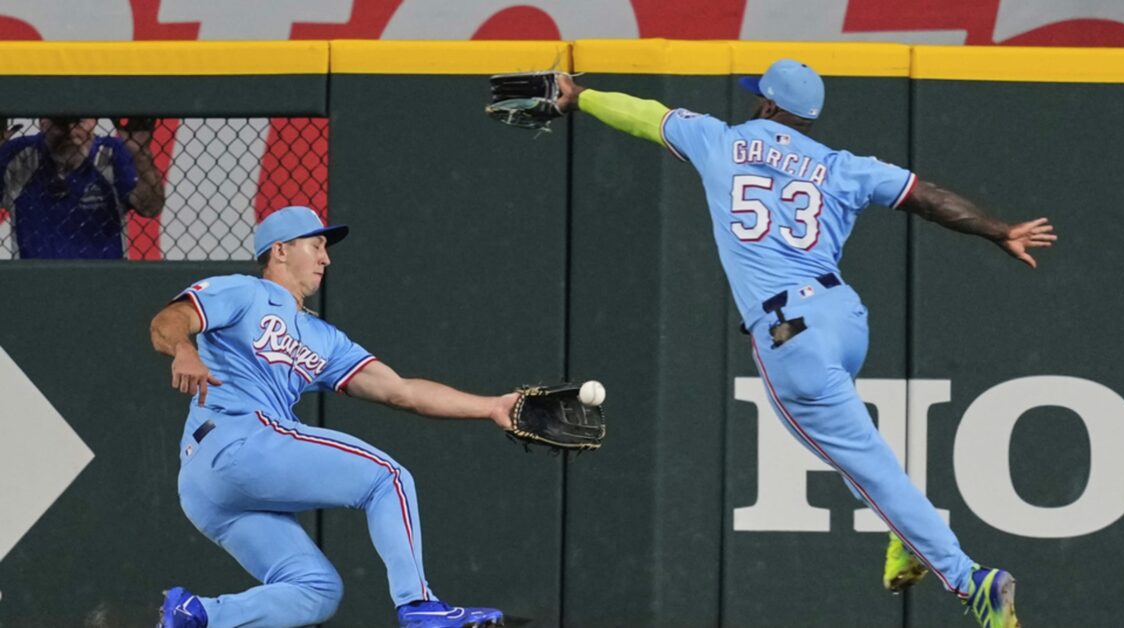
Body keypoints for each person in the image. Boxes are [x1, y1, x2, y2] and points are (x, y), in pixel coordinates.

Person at [554, 60, 1054, 628]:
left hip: (791, 334)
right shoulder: (843, 166)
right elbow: (928, 197)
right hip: (844, 318)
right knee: (854, 452)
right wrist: (1001, 230)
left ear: (767, 106)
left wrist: (580, 97)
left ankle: (971, 582)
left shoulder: (722, 140)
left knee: (868, 463)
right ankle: (910, 541)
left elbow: (645, 117)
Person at [149, 205, 513, 628]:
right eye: (317, 245)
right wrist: (184, 349)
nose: (326, 258)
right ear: (281, 250)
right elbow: (168, 320)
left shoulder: (325, 339)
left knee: (315, 589)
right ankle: (419, 605)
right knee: (386, 477)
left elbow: (402, 392)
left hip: (215, 486)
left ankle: (195, 615)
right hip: (235, 439)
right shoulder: (245, 292)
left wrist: (491, 406)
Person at [0, 116, 164, 259]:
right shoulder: (19, 155)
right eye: (61, 124)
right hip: (35, 284)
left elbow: (151, 207)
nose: (70, 133)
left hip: (105, 284)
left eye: (79, 123)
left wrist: (139, 154)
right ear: (43, 122)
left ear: (93, 121)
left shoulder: (111, 153)